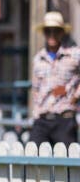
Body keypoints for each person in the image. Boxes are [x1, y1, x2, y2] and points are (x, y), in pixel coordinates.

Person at [30, 11, 80, 146]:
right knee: (32, 159)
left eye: (55, 31)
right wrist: (36, 110)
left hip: (64, 118)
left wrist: (75, 95)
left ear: (62, 33)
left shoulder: (74, 54)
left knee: (68, 163)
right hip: (42, 118)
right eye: (48, 31)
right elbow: (35, 88)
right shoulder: (38, 58)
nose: (52, 35)